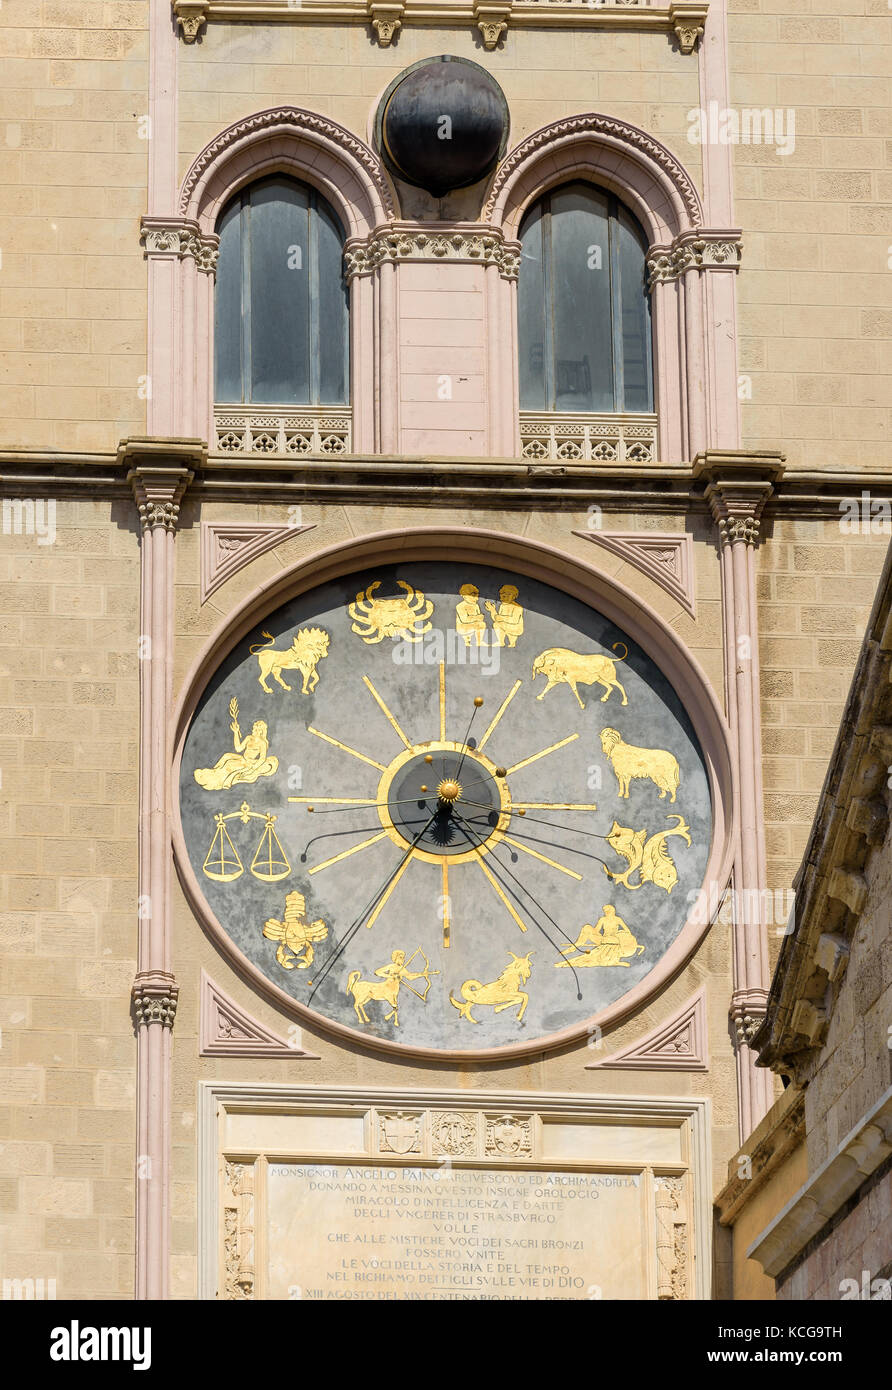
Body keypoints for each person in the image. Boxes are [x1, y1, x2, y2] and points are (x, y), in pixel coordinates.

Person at [194, 715, 278, 790]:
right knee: (226, 756)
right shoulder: (249, 738)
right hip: (243, 759)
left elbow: (262, 759)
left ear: (260, 731)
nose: (253, 730)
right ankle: (215, 771)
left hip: (249, 763)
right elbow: (238, 748)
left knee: (229, 766)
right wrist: (236, 732)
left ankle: (218, 780)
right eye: (253, 728)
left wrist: (252, 769)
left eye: (256, 729)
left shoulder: (262, 743)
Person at [555, 904, 644, 968]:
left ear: (612, 911)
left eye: (608, 911)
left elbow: (627, 931)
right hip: (603, 939)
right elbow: (596, 930)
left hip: (614, 940)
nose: (606, 913)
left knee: (607, 940)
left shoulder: (618, 919)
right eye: (605, 911)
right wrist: (589, 931)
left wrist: (619, 935)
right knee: (587, 928)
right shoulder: (602, 919)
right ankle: (576, 946)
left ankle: (576, 947)